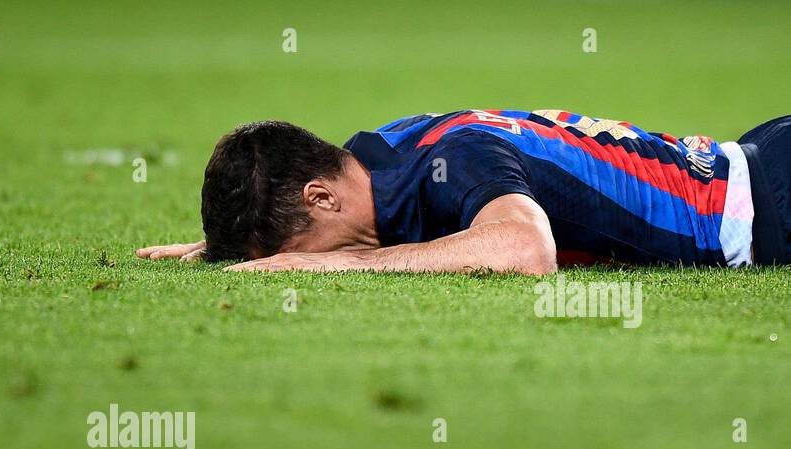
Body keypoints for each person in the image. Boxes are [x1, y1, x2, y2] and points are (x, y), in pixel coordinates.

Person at [136, 111, 791, 273]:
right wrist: (225, 244)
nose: (293, 261)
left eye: (289, 248)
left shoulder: (453, 159)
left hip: (770, 203)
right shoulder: (370, 160)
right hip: (757, 159)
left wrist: (342, 260)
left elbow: (525, 250)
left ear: (321, 197)